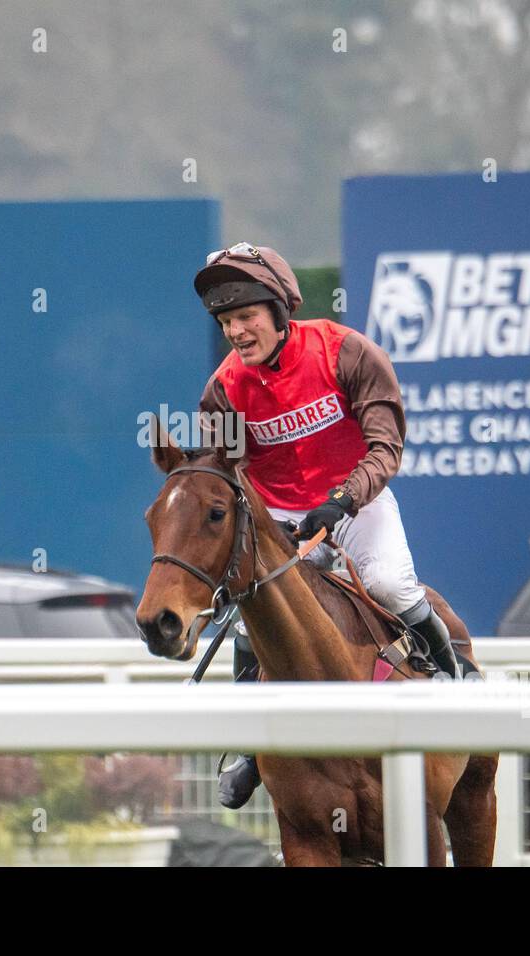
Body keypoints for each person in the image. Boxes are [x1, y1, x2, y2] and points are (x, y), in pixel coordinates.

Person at [193, 242, 458, 809]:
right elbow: (224, 475)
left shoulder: (347, 351)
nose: (236, 332)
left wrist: (342, 500)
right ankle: (247, 749)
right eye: (226, 322)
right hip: (281, 518)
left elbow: (386, 447)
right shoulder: (223, 390)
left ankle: (455, 682)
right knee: (255, 615)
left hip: (357, 502)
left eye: (245, 318)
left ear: (279, 311)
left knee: (388, 583)